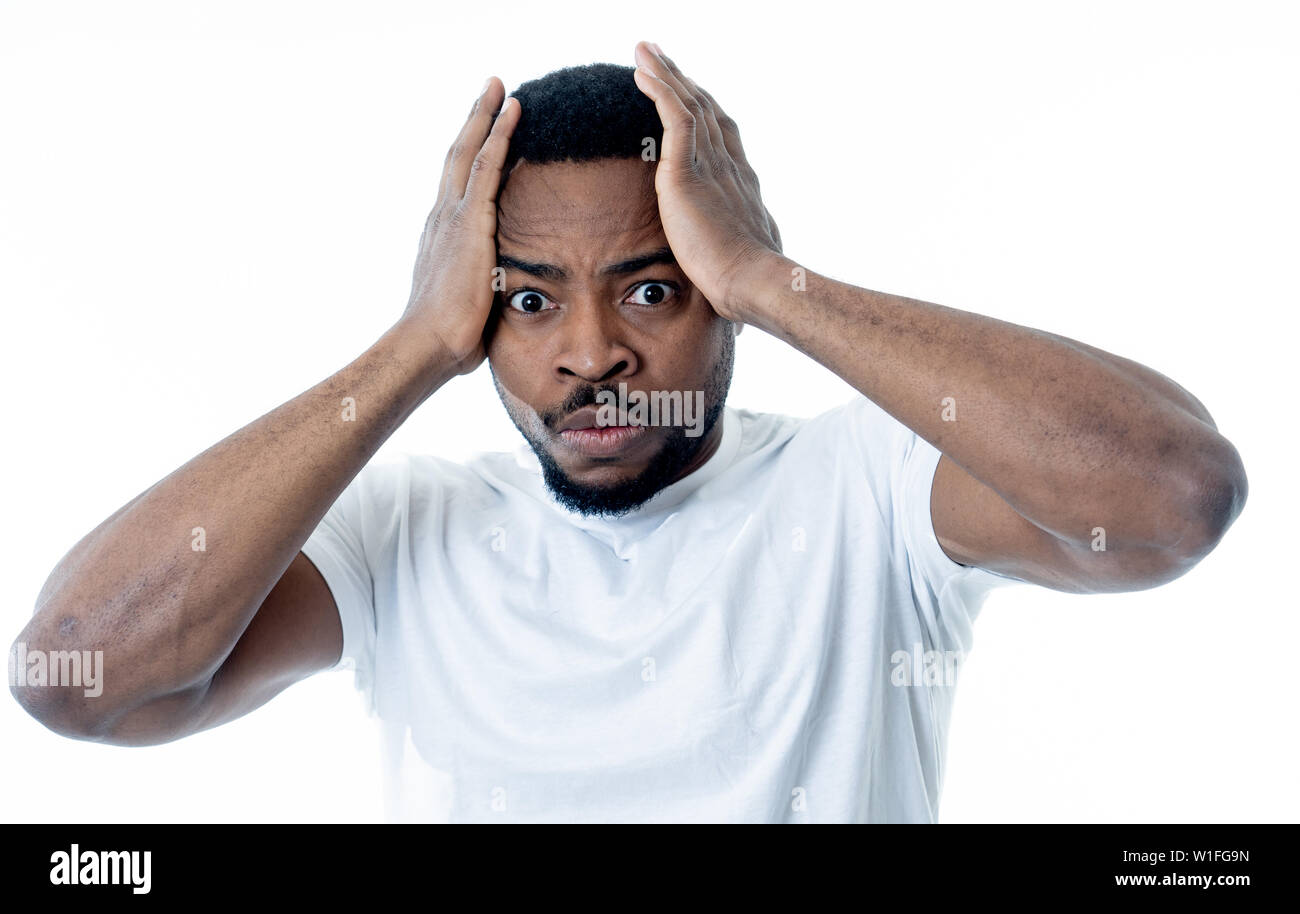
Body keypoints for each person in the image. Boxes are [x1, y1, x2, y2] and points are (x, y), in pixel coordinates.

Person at [11, 42, 1247, 822]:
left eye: (652, 288)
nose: (589, 351)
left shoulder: (866, 492)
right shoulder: (401, 538)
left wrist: (774, 279)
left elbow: (1172, 493)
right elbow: (75, 676)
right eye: (528, 299)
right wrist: (407, 348)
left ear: (718, 290)